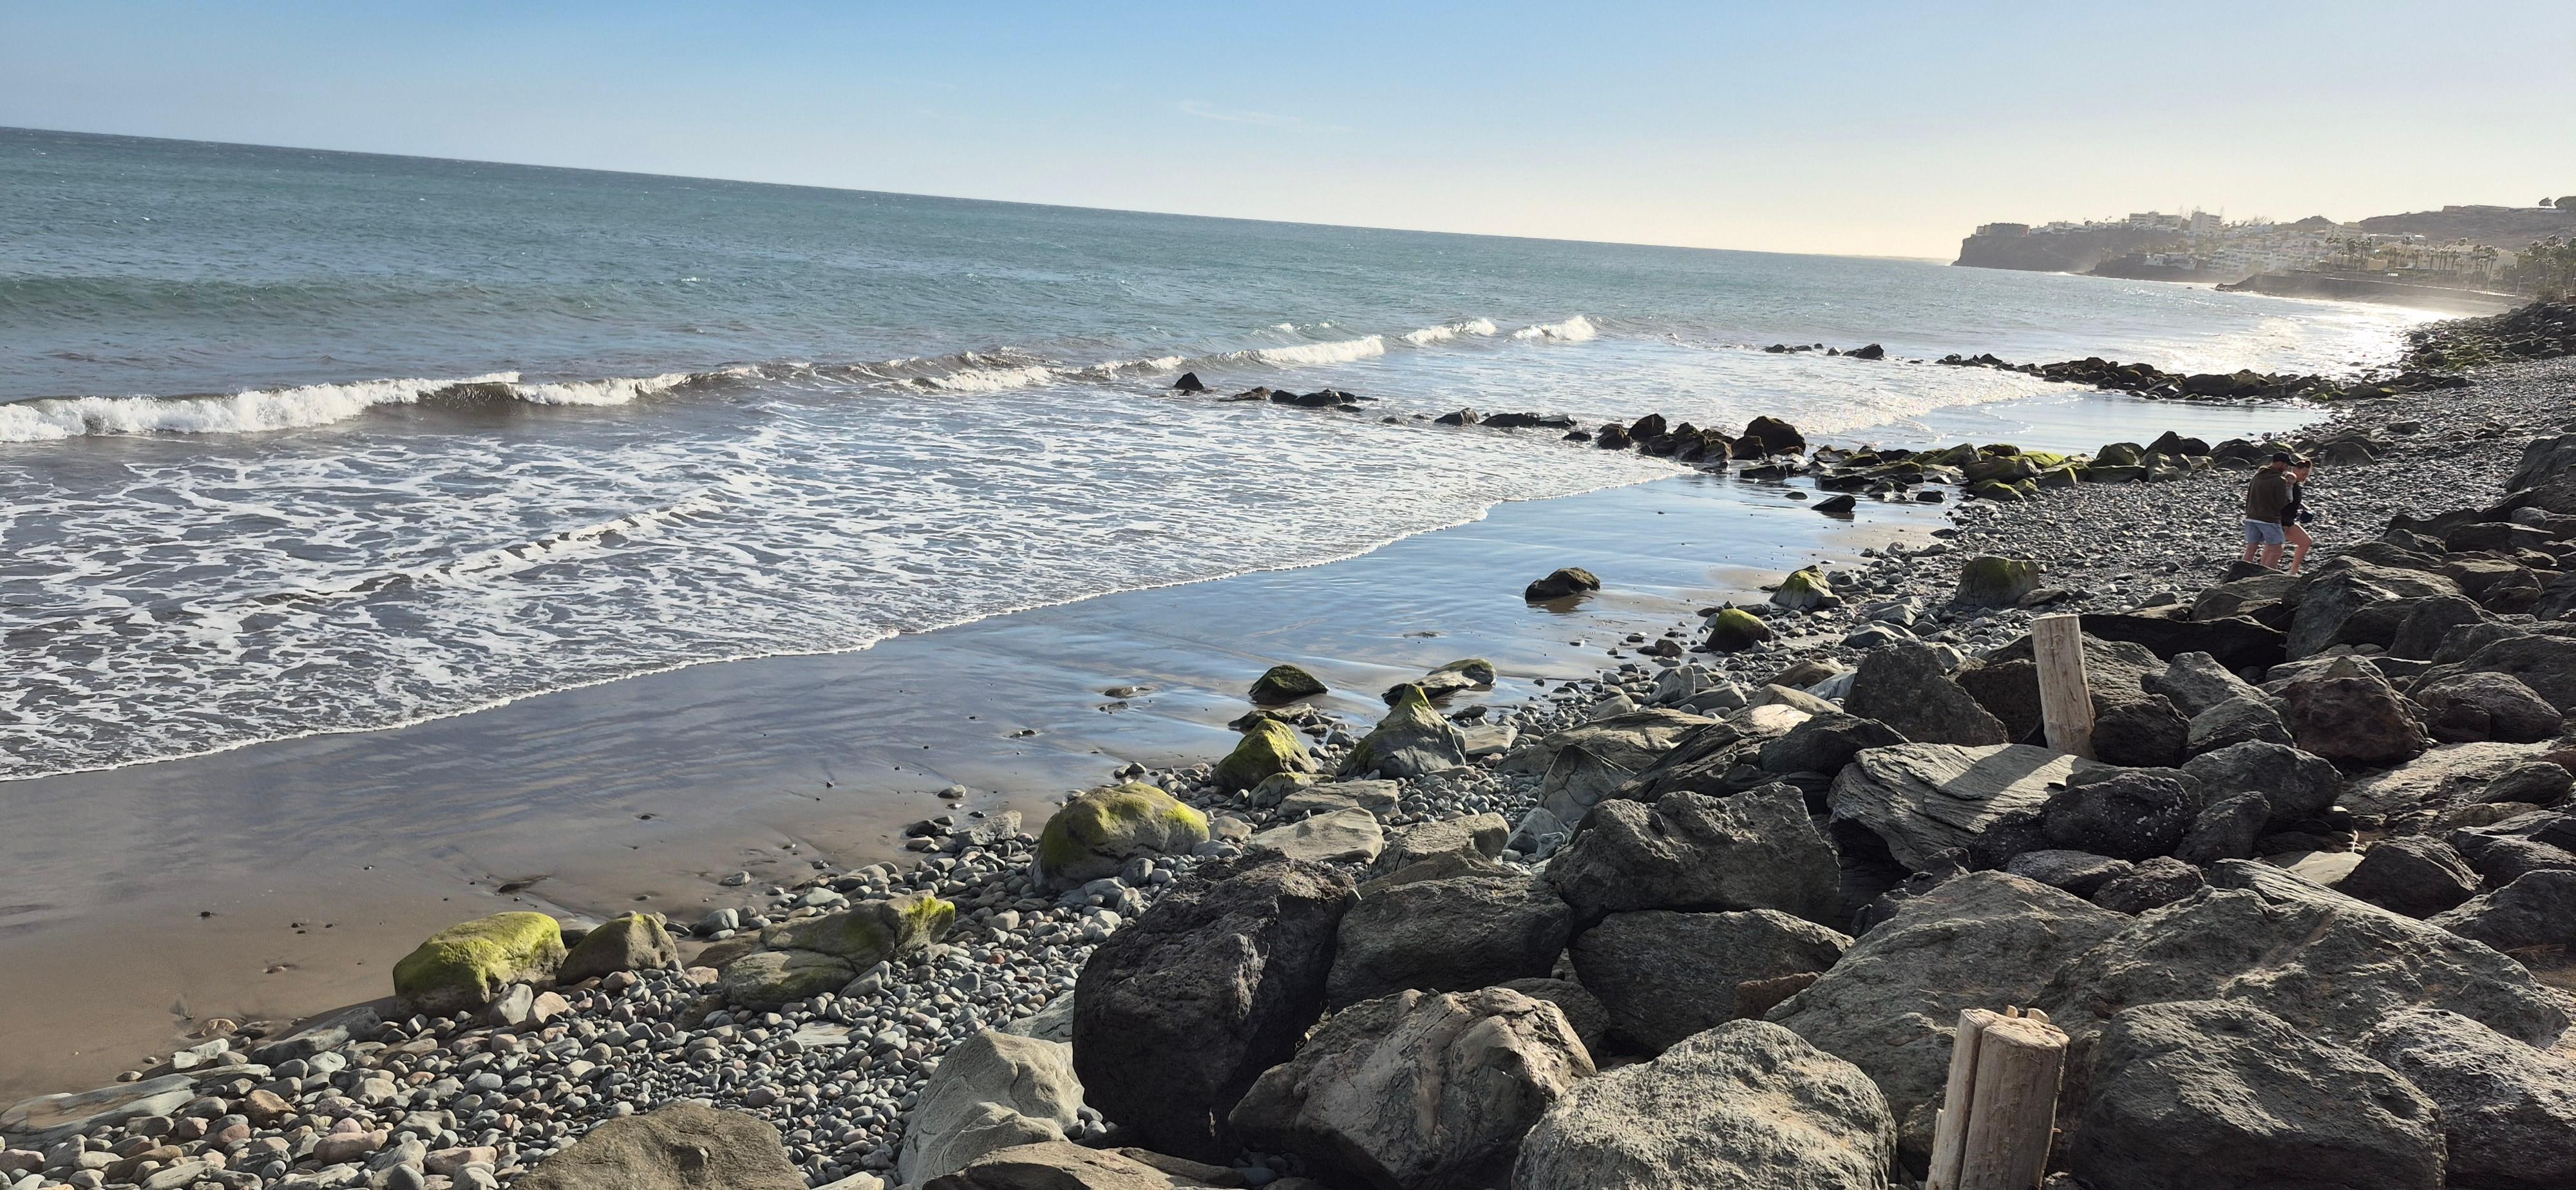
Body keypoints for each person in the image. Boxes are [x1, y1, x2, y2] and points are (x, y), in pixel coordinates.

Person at [2242, 453, 2293, 569]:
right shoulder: (2279, 480)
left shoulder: (2258, 475)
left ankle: (2241, 572)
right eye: (2286, 465)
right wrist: (2289, 489)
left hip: (2251, 516)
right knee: (2277, 548)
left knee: (2251, 548)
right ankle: (2268, 574)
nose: (2287, 468)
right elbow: (2281, 503)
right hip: (2269, 518)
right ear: (2280, 463)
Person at [2280, 456, 2316, 574]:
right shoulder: (2287, 484)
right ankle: (2267, 570)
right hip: (2282, 520)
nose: (2305, 477)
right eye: (2304, 474)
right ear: (2295, 470)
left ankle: (2294, 570)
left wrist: (2303, 507)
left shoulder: (2295, 486)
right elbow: (2283, 501)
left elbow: (2293, 500)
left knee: (2306, 542)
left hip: (2289, 520)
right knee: (2276, 547)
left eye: (2307, 475)